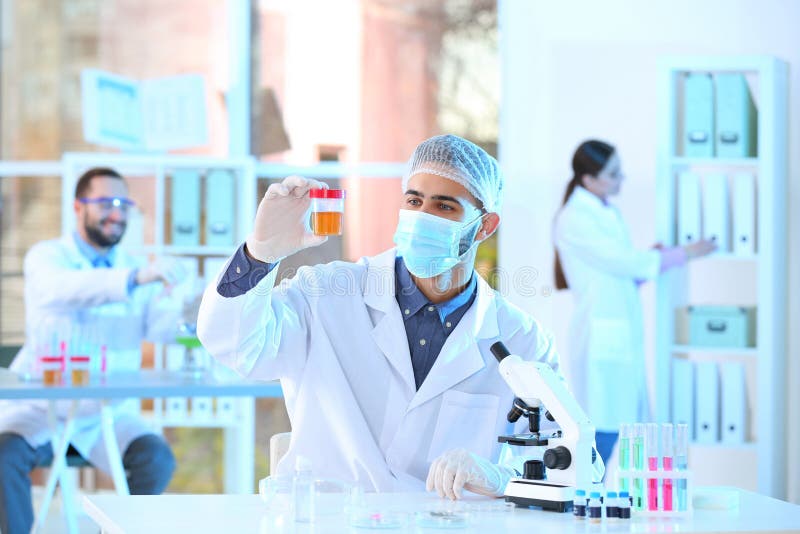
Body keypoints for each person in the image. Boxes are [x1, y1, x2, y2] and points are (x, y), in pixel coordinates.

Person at [199, 134, 596, 500]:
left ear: (484, 227)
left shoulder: (523, 340)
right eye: (414, 200)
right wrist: (259, 255)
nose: (423, 215)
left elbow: (568, 461)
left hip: (439, 523)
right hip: (325, 519)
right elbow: (234, 347)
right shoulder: (326, 294)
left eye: (444, 206)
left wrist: (499, 476)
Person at [0, 167, 184, 534]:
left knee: (157, 459)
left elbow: (163, 329)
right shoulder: (47, 258)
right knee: (3, 457)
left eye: (123, 204)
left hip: (107, 415)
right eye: (105, 203)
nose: (116, 213)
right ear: (78, 206)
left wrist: (192, 306)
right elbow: (64, 288)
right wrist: (135, 280)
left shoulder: (136, 268)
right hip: (42, 409)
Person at [553, 140, 716, 464]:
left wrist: (653, 259)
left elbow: (620, 271)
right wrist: (683, 254)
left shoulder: (604, 212)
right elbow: (624, 263)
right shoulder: (576, 217)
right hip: (601, 336)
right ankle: (584, 498)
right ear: (589, 179)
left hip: (615, 332)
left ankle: (594, 498)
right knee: (604, 425)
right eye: (613, 174)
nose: (620, 180)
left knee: (620, 422)